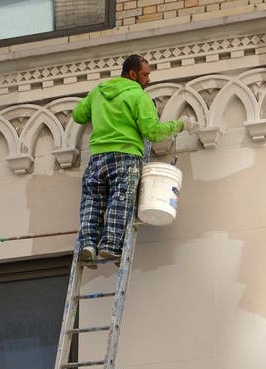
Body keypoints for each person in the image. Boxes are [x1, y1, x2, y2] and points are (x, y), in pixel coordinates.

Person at [72, 53, 196, 269]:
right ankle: (111, 245)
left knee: (92, 201)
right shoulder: (139, 97)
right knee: (120, 199)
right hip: (126, 156)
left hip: (98, 157)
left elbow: (78, 115)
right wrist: (180, 125)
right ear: (132, 73)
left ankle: (89, 244)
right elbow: (153, 132)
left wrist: (103, 113)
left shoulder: (99, 91)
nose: (148, 79)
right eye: (145, 74)